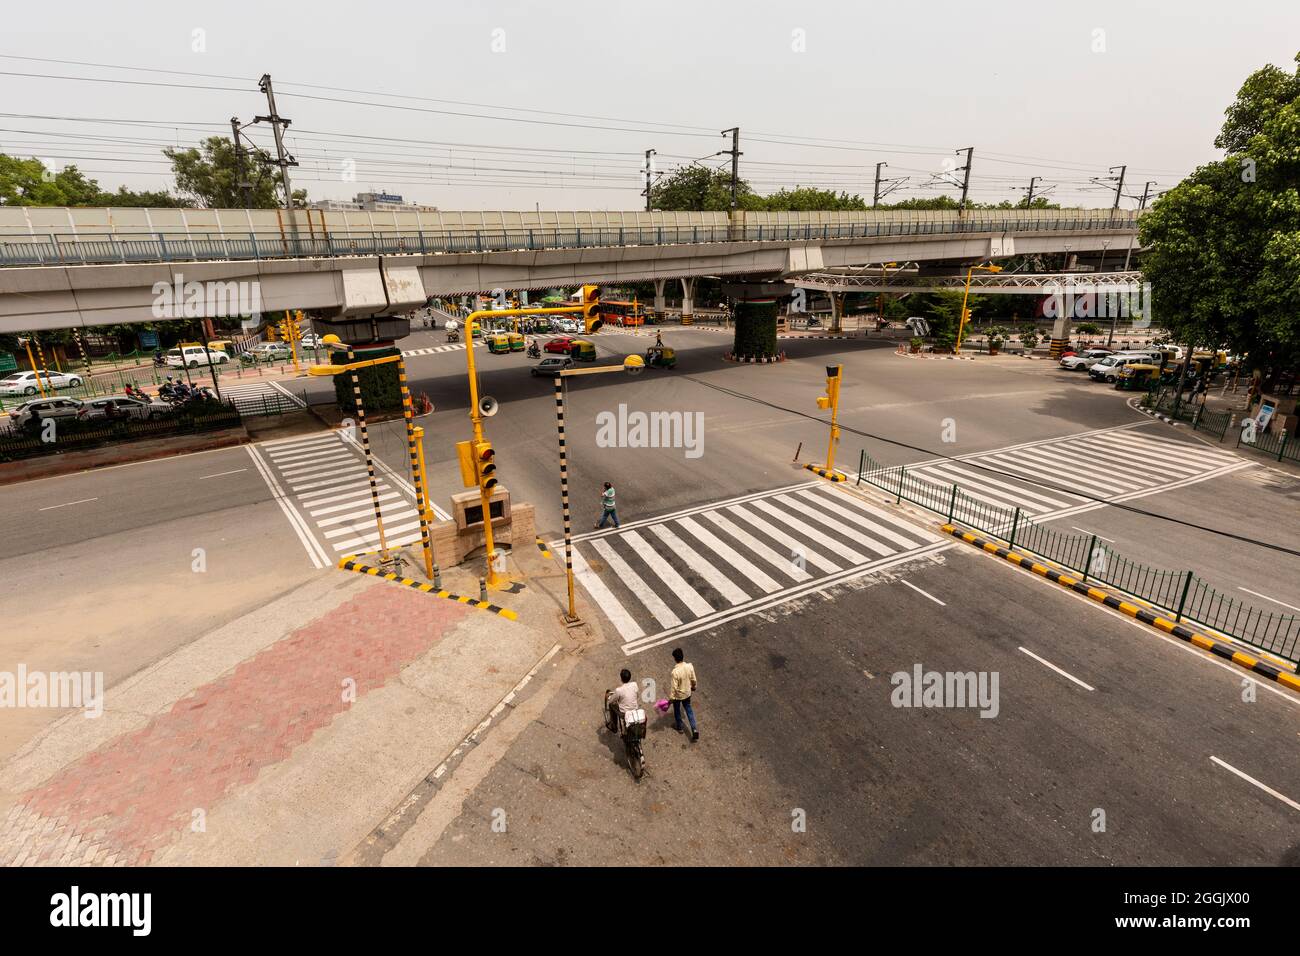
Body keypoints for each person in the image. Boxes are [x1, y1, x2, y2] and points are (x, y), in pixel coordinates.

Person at [669, 648, 698, 740]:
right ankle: (694, 729)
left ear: (674, 659)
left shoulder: (675, 672)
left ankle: (680, 727)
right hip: (687, 693)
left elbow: (674, 688)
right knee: (689, 710)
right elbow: (693, 679)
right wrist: (694, 687)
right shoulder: (689, 666)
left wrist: (671, 698)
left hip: (678, 696)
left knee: (677, 710)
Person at [606, 668, 638, 733]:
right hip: (635, 710)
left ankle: (614, 727)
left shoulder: (619, 690)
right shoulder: (634, 685)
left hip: (624, 713)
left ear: (621, 678)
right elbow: (637, 695)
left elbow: (611, 701)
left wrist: (609, 698)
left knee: (611, 705)